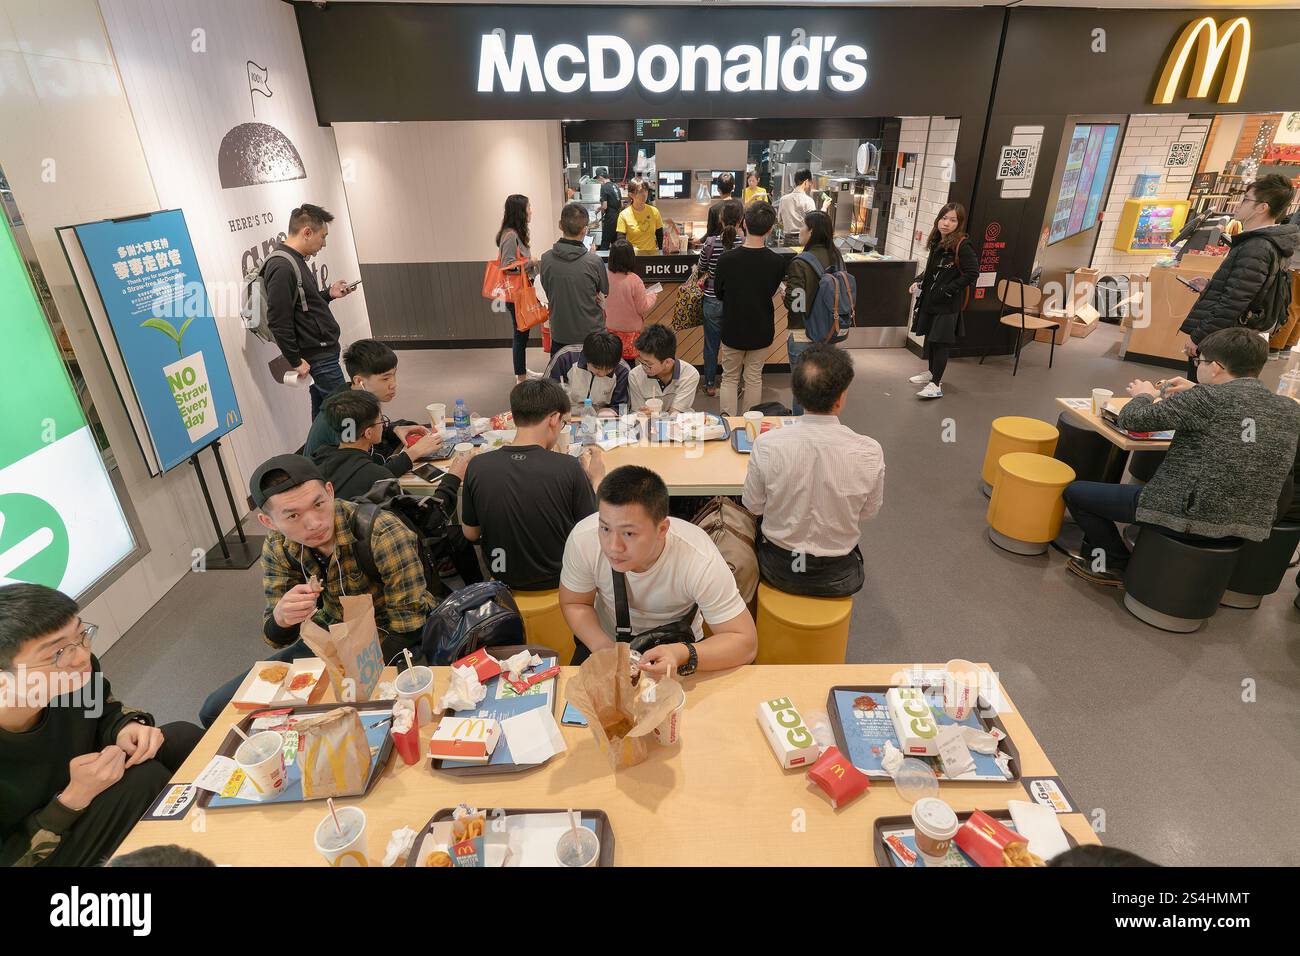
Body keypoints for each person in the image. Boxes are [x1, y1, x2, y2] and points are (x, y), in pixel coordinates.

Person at [199, 455, 436, 727]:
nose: (313, 524)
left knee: (359, 718)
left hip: (390, 638)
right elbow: (274, 635)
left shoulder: (381, 532)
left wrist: (344, 677)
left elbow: (409, 626)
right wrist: (281, 618)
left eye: (319, 504)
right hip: (327, 636)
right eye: (293, 515)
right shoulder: (279, 546)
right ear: (268, 521)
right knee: (215, 710)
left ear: (330, 492)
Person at [1063, 327, 1300, 586]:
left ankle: (1117, 564)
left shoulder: (1205, 397)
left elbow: (1132, 420)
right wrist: (1196, 388)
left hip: (1189, 516)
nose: (1198, 365)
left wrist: (1143, 394)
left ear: (1216, 367)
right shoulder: (1288, 407)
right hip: (1249, 522)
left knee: (1077, 493)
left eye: (1201, 361)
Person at [0, 584, 204, 866]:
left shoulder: (78, 674)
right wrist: (69, 802)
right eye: (57, 652)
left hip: (88, 790)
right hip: (39, 846)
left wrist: (124, 727)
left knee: (181, 737)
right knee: (142, 781)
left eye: (81, 634)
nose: (82, 655)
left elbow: (104, 710)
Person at [559, 465, 758, 676]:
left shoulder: (697, 558)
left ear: (662, 529)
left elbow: (745, 642)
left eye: (628, 533)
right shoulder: (584, 539)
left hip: (679, 644)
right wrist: (603, 648)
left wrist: (683, 654)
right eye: (605, 528)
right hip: (607, 638)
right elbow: (575, 602)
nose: (613, 546)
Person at [743, 346, 883, 598]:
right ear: (840, 398)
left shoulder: (767, 444)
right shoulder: (870, 451)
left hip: (778, 567)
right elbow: (868, 512)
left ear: (796, 396)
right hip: (838, 572)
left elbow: (753, 506)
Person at [460, 379, 604, 591]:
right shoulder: (569, 467)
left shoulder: (478, 466)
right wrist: (596, 479)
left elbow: (471, 534)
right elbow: (592, 528)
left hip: (503, 581)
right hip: (560, 583)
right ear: (554, 419)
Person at [1180, 175, 1297, 379]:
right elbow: (1246, 290)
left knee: (1198, 395)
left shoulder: (1257, 246)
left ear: (1262, 208)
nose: (1238, 204)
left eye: (1246, 199)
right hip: (1231, 335)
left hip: (1223, 341)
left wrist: (1199, 337)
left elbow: (1233, 303)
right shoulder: (1263, 242)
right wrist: (1209, 286)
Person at [263, 203, 359, 419]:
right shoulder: (282, 266)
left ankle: (316, 453)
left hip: (323, 354)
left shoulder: (294, 260)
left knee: (323, 416)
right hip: (319, 357)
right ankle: (353, 451)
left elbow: (304, 305)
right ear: (307, 232)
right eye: (322, 236)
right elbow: (278, 321)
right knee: (348, 414)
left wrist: (328, 294)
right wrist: (295, 361)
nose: (324, 244)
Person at [302, 338, 442, 469]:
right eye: (385, 378)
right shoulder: (346, 417)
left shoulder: (354, 397)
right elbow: (359, 474)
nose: (393, 384)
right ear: (358, 381)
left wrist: (394, 429)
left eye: (394, 375)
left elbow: (364, 432)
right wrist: (413, 454)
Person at [714, 201, 786, 416]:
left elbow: (719, 293)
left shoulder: (727, 259)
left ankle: (728, 423)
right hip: (761, 327)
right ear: (770, 228)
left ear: (744, 223)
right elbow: (771, 290)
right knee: (754, 377)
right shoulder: (777, 261)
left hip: (732, 327)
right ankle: (750, 424)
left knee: (729, 377)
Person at [908, 203, 979, 400]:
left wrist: (947, 290)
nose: (946, 223)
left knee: (941, 343)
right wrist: (918, 280)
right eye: (944, 218)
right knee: (931, 338)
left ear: (960, 223)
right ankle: (931, 373)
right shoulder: (938, 240)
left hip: (947, 305)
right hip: (931, 300)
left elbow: (973, 273)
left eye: (953, 220)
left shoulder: (962, 245)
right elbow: (931, 269)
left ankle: (936, 384)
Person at [782, 210, 843, 414]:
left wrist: (785, 295)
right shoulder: (837, 256)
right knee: (823, 389)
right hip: (829, 331)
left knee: (802, 391)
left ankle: (801, 433)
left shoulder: (801, 262)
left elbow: (797, 304)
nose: (800, 230)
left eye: (803, 226)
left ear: (812, 231)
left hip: (803, 332)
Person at [540, 202, 608, 355]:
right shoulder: (594, 261)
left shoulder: (545, 260)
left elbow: (547, 289)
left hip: (559, 334)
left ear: (560, 225)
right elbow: (603, 292)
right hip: (592, 336)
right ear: (585, 230)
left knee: (561, 378)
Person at [696, 199, 744, 397]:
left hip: (712, 299)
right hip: (736, 302)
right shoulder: (745, 244)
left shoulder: (710, 242)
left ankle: (709, 383)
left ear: (721, 219)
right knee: (735, 346)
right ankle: (734, 384)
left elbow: (701, 268)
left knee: (711, 345)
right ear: (741, 220)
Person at [496, 194, 541, 383]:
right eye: (528, 207)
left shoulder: (516, 233)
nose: (531, 211)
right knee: (520, 333)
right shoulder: (511, 236)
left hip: (521, 292)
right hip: (516, 294)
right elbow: (508, 266)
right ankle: (520, 376)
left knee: (523, 331)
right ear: (520, 212)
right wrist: (531, 263)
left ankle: (521, 370)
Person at [547, 328, 630, 412]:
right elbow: (546, 395)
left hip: (602, 419)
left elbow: (622, 407)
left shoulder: (622, 371)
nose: (601, 374)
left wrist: (611, 412)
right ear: (585, 357)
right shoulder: (565, 358)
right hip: (565, 414)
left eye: (608, 369)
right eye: (597, 368)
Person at [604, 238, 658, 359]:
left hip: (610, 328)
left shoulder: (606, 276)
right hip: (630, 332)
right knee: (629, 365)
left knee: (613, 363)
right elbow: (642, 308)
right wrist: (652, 296)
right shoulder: (635, 280)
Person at [629, 324, 699, 413]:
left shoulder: (689, 375)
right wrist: (643, 414)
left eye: (648, 364)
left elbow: (675, 413)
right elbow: (639, 412)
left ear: (668, 362)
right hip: (648, 423)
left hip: (680, 422)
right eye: (641, 361)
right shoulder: (634, 376)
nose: (643, 367)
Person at [1267, 210, 1300, 359]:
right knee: (1297, 309)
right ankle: (1287, 346)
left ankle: (1274, 347)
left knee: (1287, 305)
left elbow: (1293, 235)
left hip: (1295, 264)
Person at [616, 180, 664, 255]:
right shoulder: (623, 215)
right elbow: (621, 240)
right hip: (634, 257)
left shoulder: (654, 211)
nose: (644, 194)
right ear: (631, 195)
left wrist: (661, 251)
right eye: (640, 192)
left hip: (652, 256)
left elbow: (659, 234)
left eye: (646, 191)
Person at [778, 169, 816, 240]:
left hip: (787, 239)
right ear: (806, 182)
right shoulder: (809, 201)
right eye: (810, 182)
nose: (810, 185)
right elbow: (813, 223)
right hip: (803, 238)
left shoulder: (783, 199)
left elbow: (780, 220)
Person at [596, 168, 622, 252]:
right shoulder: (615, 186)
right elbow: (619, 203)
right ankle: (616, 262)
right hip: (618, 216)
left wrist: (600, 211)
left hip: (610, 218)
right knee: (615, 242)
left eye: (597, 179)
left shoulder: (604, 187)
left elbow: (605, 206)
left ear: (600, 177)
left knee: (605, 242)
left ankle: (604, 263)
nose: (597, 181)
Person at [706, 172, 737, 237]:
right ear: (733, 187)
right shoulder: (740, 205)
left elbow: (709, 234)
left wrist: (698, 241)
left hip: (717, 245)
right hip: (736, 244)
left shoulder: (713, 209)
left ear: (718, 189)